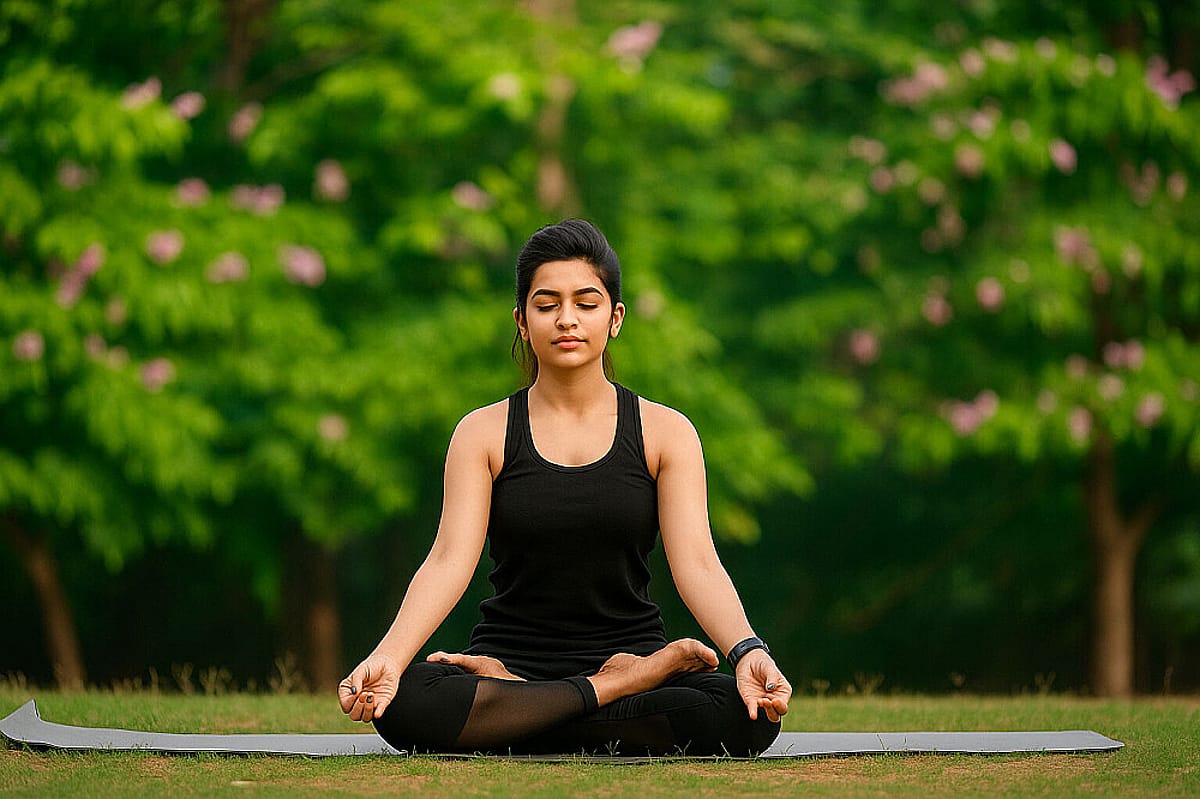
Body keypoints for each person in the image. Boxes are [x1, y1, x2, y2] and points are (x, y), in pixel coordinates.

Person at [338, 219, 791, 756]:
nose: (567, 319)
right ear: (522, 322)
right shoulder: (482, 433)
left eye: (587, 302)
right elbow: (447, 560)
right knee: (410, 699)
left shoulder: (666, 432)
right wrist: (389, 658)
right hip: (511, 659)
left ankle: (524, 712)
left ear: (615, 318)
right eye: (547, 304)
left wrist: (746, 652)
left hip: (624, 650)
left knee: (744, 715)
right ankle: (617, 688)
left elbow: (697, 561)